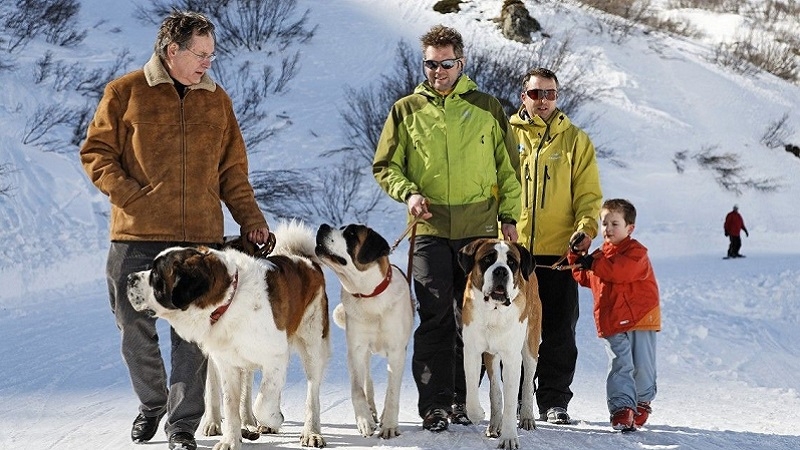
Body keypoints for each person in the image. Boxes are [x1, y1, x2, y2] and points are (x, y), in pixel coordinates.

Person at [80, 11, 270, 450]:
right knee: (132, 324)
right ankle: (152, 403)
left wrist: (251, 220)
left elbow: (233, 171)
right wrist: (130, 196)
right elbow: (96, 152)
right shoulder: (125, 92)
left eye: (212, 54)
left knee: (195, 336)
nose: (209, 62)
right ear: (173, 51)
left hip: (199, 239)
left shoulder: (217, 100)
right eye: (201, 54)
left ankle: (183, 423)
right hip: (136, 234)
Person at [372, 24, 521, 433]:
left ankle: (462, 399)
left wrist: (509, 219)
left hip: (478, 234)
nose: (438, 71)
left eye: (446, 64)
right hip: (430, 230)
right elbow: (385, 166)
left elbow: (509, 171)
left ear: (462, 63)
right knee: (436, 315)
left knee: (468, 318)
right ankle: (435, 405)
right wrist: (409, 194)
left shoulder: (489, 108)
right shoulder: (405, 109)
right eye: (431, 64)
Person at [510, 67, 603, 424]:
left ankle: (553, 400)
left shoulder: (575, 140)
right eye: (535, 93)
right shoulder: (506, 134)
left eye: (549, 93)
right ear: (524, 96)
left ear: (557, 96)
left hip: (559, 253)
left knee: (559, 329)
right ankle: (518, 398)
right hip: (513, 251)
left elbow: (588, 194)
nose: (543, 100)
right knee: (511, 327)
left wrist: (586, 228)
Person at [568, 198, 660, 431]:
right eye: (604, 223)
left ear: (630, 228)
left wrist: (592, 263)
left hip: (640, 318)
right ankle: (621, 408)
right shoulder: (599, 256)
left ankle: (641, 401)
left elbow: (621, 271)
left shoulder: (636, 252)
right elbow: (584, 276)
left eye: (614, 224)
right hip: (611, 321)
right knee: (621, 363)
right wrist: (577, 254)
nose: (608, 229)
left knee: (643, 365)